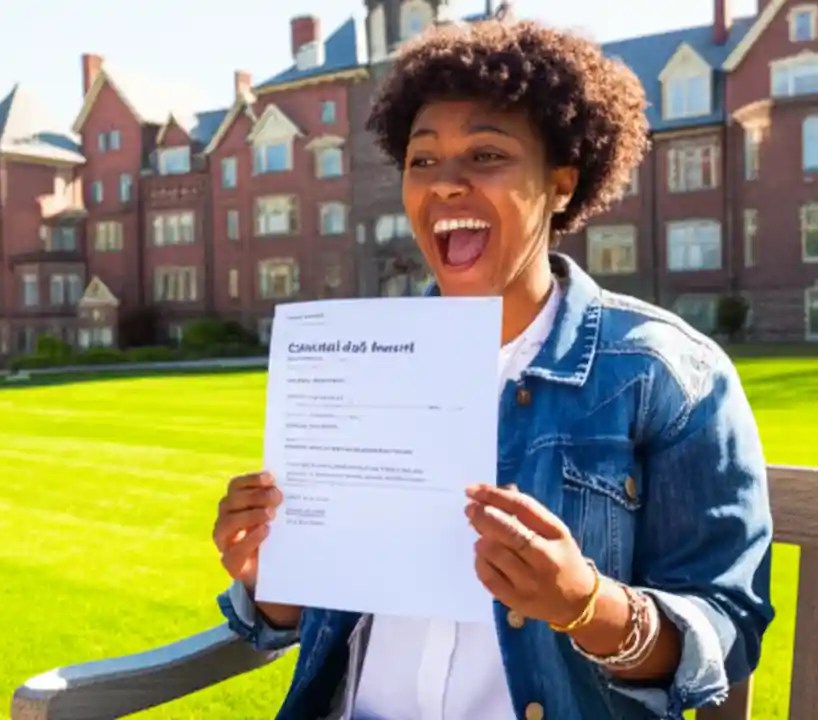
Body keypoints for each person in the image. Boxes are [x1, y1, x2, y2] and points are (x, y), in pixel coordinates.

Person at [211, 16, 773, 720]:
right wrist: (275, 578)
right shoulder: (361, 365)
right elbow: (294, 619)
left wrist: (588, 606)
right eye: (423, 160)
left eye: (485, 155)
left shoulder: (668, 375)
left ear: (562, 184)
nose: (445, 184)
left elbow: (726, 627)